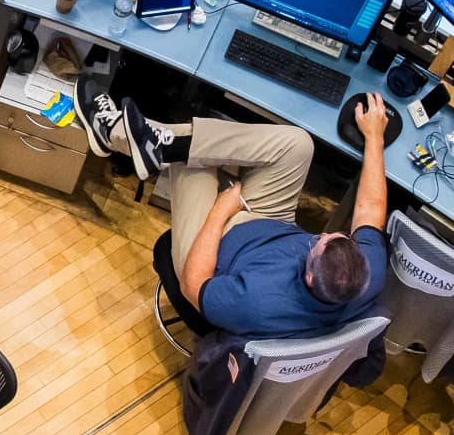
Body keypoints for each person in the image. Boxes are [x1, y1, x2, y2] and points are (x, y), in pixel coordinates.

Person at [79, 83, 391, 340]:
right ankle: (154, 144)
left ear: (309, 277)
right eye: (332, 236)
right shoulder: (366, 272)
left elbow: (193, 285)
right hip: (272, 223)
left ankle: (118, 133)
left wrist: (220, 211)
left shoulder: (257, 303)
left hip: (212, 254)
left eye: (317, 243)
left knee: (193, 161)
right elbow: (370, 209)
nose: (319, 235)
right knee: (298, 146)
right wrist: (374, 137)